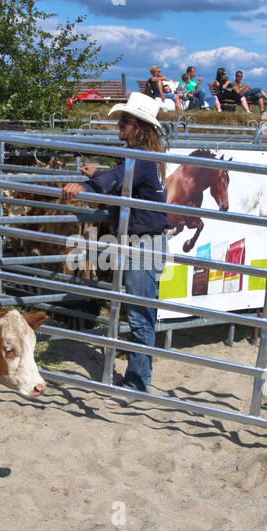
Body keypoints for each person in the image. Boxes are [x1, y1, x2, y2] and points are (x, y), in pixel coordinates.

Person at [61, 92, 169, 392]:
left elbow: (115, 181)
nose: (119, 124)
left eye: (125, 120)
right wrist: (99, 174)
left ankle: (137, 383)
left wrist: (85, 185)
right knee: (140, 314)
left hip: (143, 246)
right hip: (141, 243)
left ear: (140, 127)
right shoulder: (144, 158)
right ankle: (138, 377)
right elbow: (120, 178)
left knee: (139, 317)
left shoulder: (141, 158)